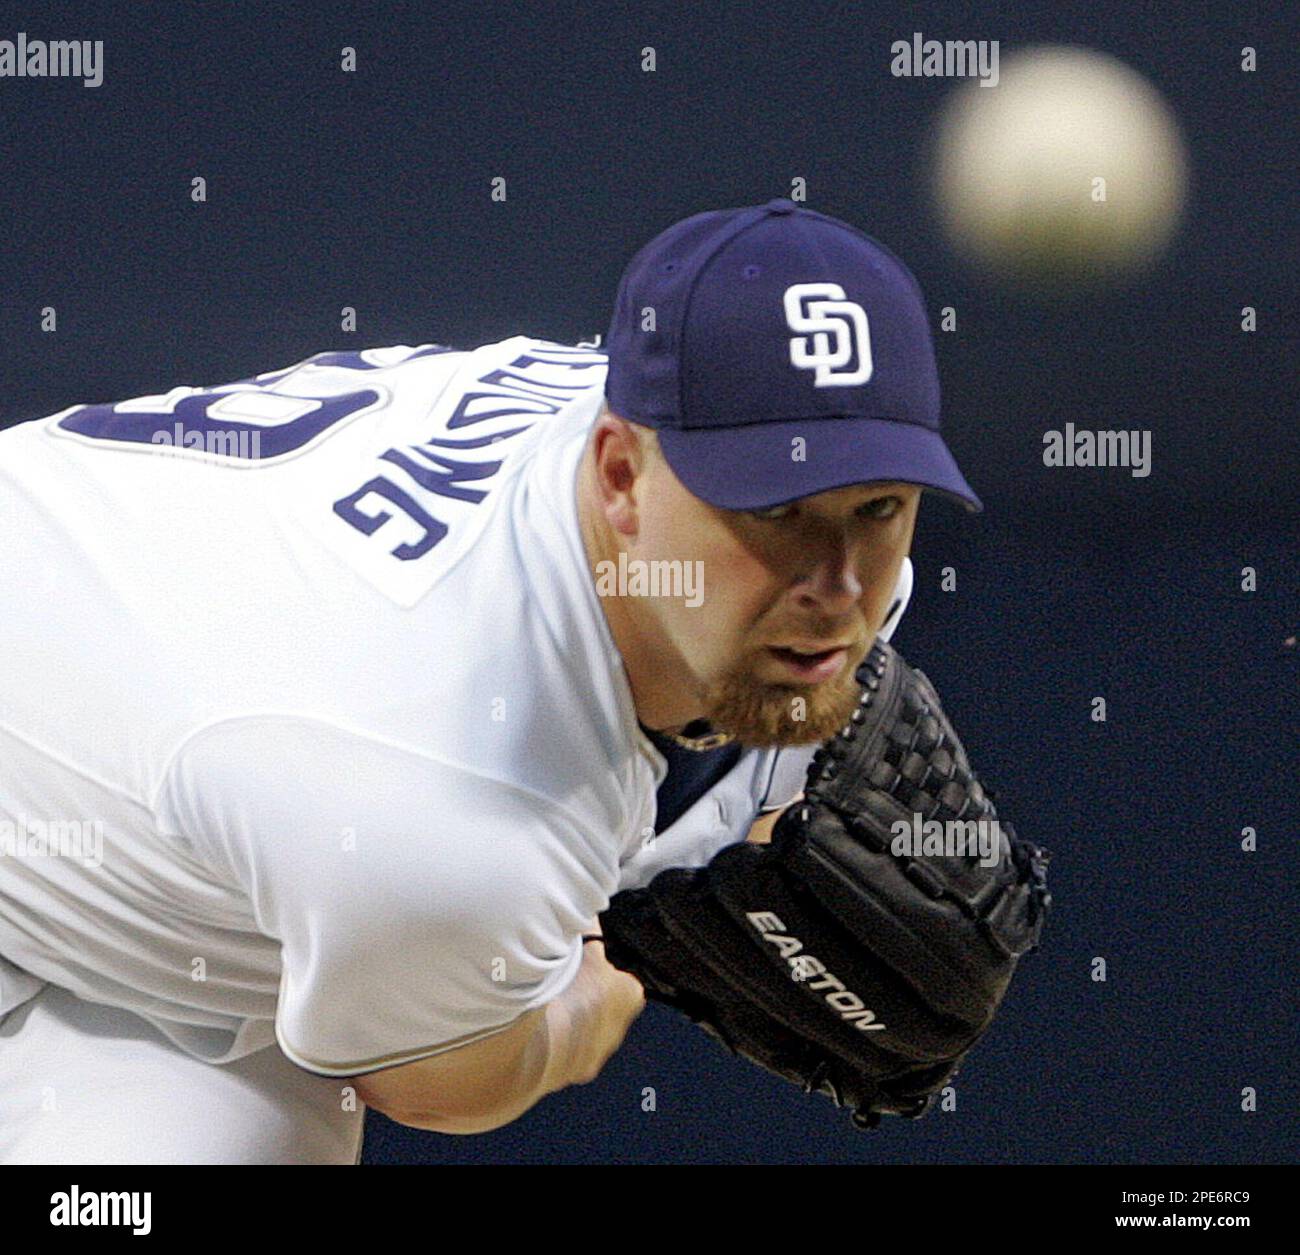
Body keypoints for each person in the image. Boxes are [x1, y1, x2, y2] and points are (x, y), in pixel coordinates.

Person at [0, 198, 979, 1163]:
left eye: (880, 504)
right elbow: (430, 1081)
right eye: (772, 511)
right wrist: (596, 996)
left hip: (152, 822)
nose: (836, 586)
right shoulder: (442, 809)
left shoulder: (653, 428)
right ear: (620, 477)